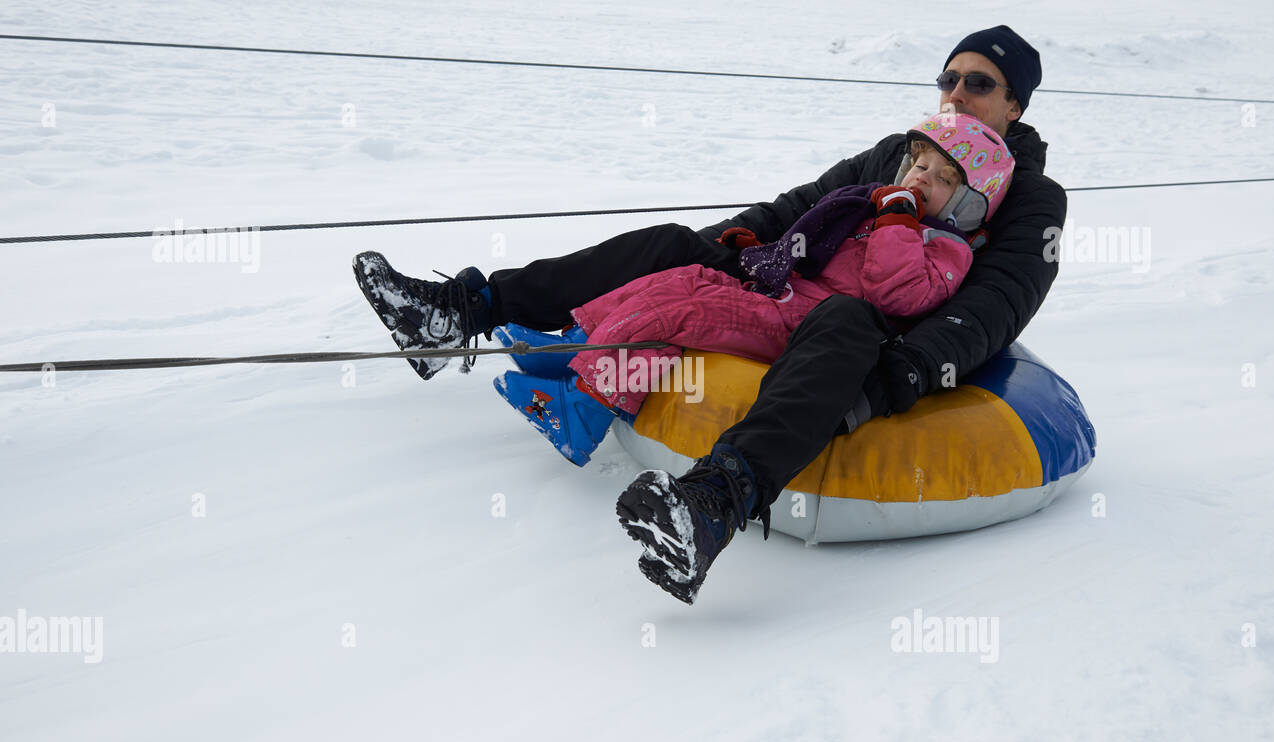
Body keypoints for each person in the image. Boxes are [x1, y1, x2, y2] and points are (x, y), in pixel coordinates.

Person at [351, 25, 1067, 604]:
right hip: (789, 287)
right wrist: (733, 246)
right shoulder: (899, 151)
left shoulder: (1028, 196)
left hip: (867, 329)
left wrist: (896, 377)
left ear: (1016, 105)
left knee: (846, 320)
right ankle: (459, 311)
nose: (955, 93)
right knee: (672, 249)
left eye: (978, 83)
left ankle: (715, 502)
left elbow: (996, 305)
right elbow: (804, 205)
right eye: (947, 78)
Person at [492, 112, 1016, 468]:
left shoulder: (946, 247)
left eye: (943, 177)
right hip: (780, 295)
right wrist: (766, 252)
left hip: (802, 329)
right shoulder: (878, 209)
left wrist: (898, 221)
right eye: (919, 165)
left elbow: (896, 292)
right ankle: (573, 346)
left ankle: (582, 411)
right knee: (680, 280)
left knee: (683, 314)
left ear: (969, 203)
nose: (923, 178)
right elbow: (816, 244)